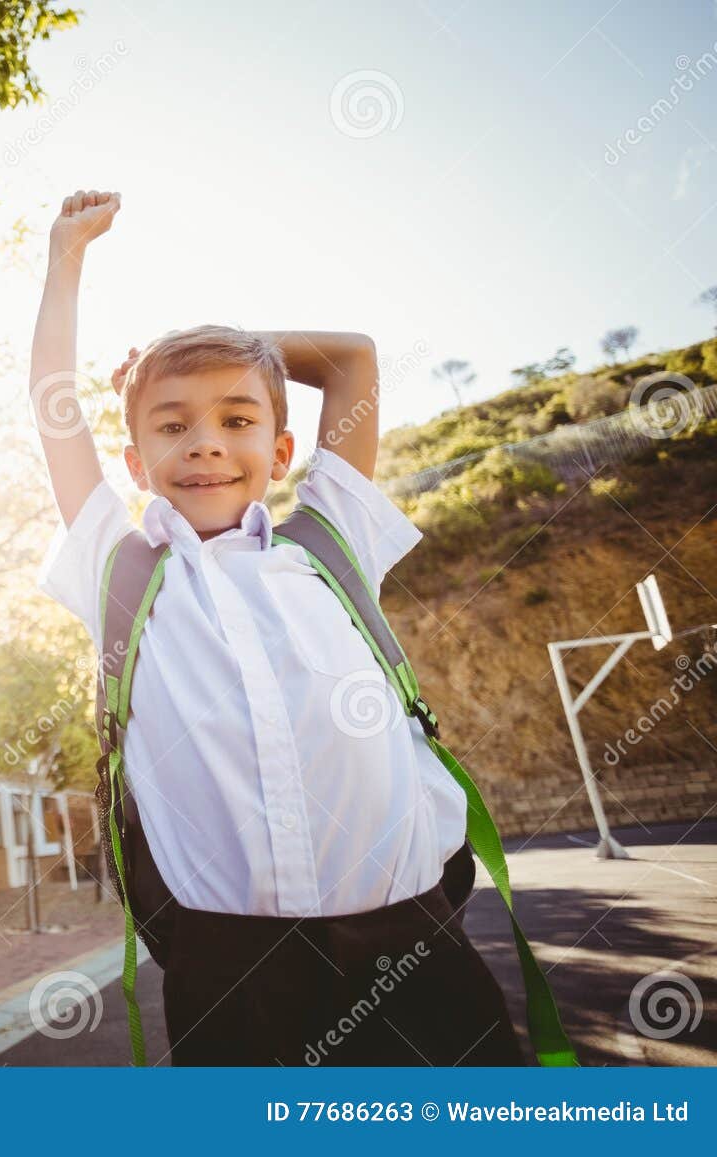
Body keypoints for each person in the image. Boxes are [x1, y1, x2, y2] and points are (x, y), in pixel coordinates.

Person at [29, 189, 521, 1065]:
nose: (206, 442)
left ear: (282, 453)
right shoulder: (124, 569)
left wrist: (235, 347)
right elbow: (52, 408)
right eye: (173, 425)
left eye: (237, 419)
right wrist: (66, 261)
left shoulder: (330, 540)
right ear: (138, 464)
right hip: (231, 968)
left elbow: (353, 360)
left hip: (409, 941)